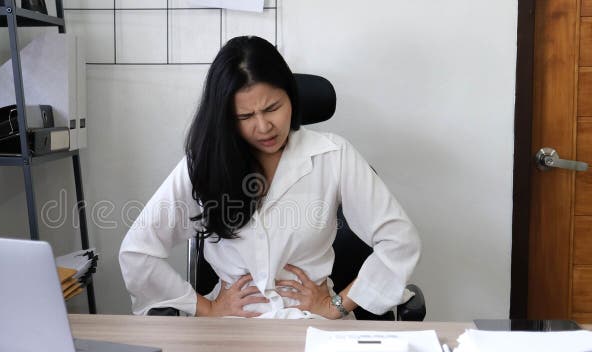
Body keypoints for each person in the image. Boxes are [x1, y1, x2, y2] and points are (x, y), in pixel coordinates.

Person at [119, 36, 421, 319]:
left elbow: (399, 240)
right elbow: (137, 252)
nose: (264, 127)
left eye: (272, 108)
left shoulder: (333, 155)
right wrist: (207, 308)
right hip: (232, 329)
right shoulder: (204, 163)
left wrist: (337, 305)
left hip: (313, 324)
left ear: (291, 97)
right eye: (245, 117)